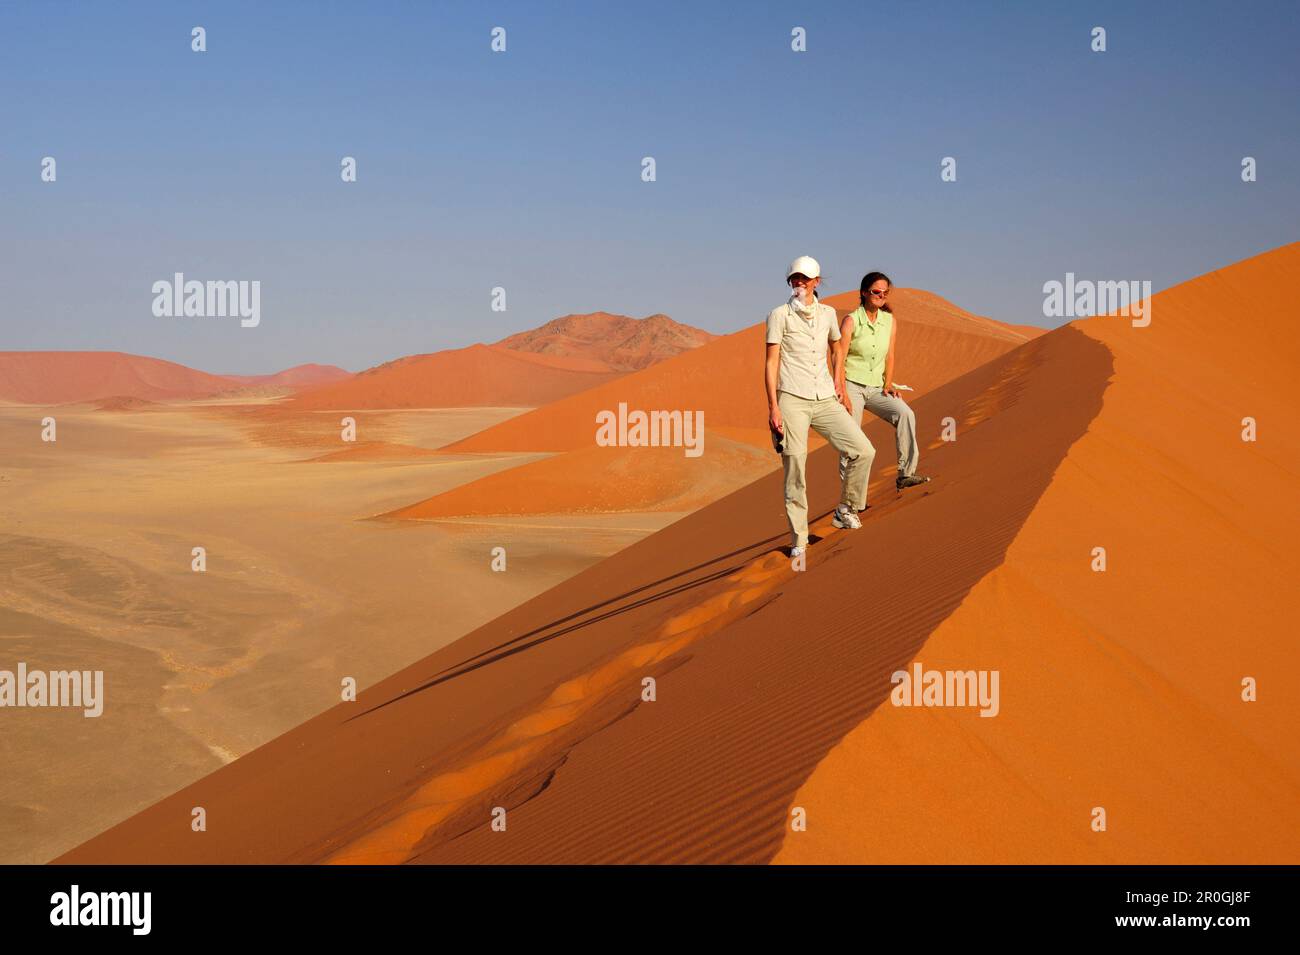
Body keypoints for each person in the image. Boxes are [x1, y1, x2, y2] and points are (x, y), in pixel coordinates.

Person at [765, 256, 875, 558]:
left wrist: (839, 382)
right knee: (795, 469)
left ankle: (846, 508)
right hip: (792, 399)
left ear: (817, 281)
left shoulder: (828, 314)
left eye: (805, 278)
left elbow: (837, 347)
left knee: (863, 450)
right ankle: (798, 541)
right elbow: (771, 362)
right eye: (795, 278)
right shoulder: (778, 316)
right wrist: (773, 407)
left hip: (826, 397)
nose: (799, 283)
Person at [834, 271, 931, 495]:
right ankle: (850, 497)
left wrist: (888, 384)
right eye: (876, 292)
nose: (881, 296)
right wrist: (840, 390)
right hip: (852, 385)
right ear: (864, 293)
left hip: (877, 387)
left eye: (885, 293)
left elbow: (890, 355)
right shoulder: (851, 320)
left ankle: (905, 474)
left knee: (905, 414)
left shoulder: (889, 321)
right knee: (852, 438)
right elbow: (839, 357)